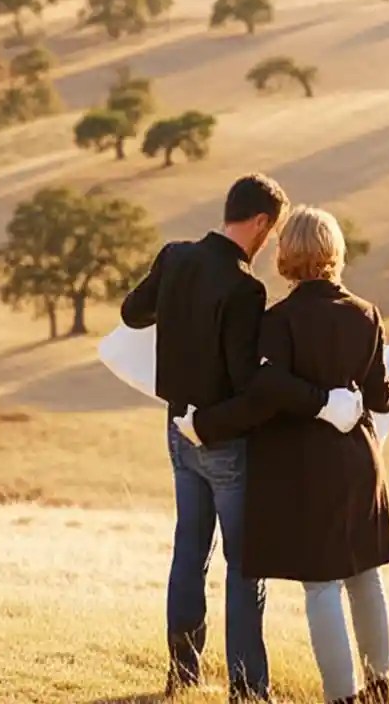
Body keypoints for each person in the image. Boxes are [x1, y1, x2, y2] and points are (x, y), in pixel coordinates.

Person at [120, 175, 364, 701]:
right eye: (271, 231)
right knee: (244, 565)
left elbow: (132, 314)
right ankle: (248, 688)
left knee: (189, 550)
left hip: (177, 428)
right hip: (223, 438)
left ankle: (182, 674)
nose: (269, 243)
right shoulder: (243, 287)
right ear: (259, 222)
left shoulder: (176, 256)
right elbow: (246, 381)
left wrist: (179, 309)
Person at [176, 205, 389, 704]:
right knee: (365, 577)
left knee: (321, 586)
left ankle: (341, 698)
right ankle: (379, 688)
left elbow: (264, 395)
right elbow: (377, 395)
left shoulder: (277, 322)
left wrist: (203, 425)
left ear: (287, 256)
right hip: (358, 462)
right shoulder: (367, 314)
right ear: (334, 252)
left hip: (306, 470)